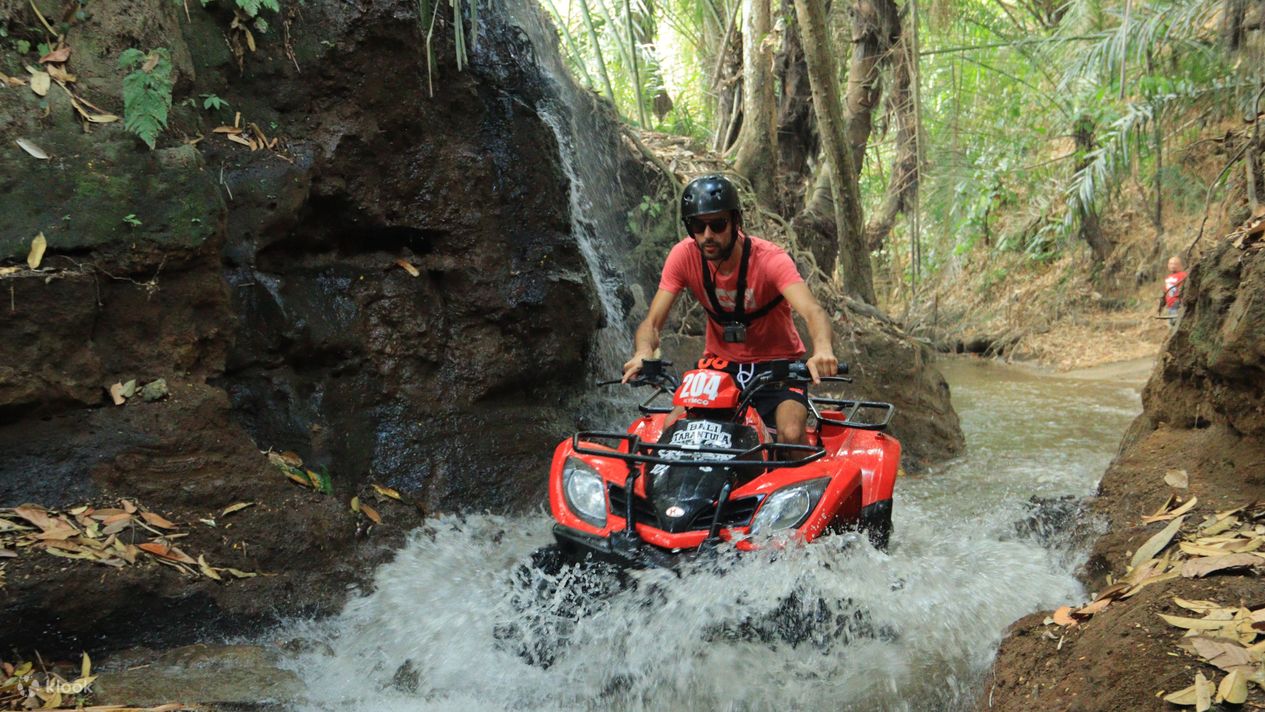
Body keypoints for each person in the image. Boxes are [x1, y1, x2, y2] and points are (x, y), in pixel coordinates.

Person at [621, 174, 839, 448]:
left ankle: (798, 489)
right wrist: (643, 353)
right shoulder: (684, 256)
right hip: (720, 369)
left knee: (792, 434)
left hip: (779, 369)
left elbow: (813, 311)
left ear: (736, 222)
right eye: (698, 226)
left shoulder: (770, 260)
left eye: (718, 224)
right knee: (673, 428)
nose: (708, 235)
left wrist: (822, 350)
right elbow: (652, 324)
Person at [1159, 255, 1187, 329]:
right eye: (1171, 264)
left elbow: (1184, 289)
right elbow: (1165, 291)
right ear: (1168, 265)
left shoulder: (1183, 275)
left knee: (1177, 323)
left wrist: (1180, 300)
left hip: (1178, 303)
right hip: (1170, 304)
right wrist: (1162, 303)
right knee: (1171, 324)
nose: (1173, 266)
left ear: (1180, 265)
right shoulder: (1168, 277)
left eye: (1175, 264)